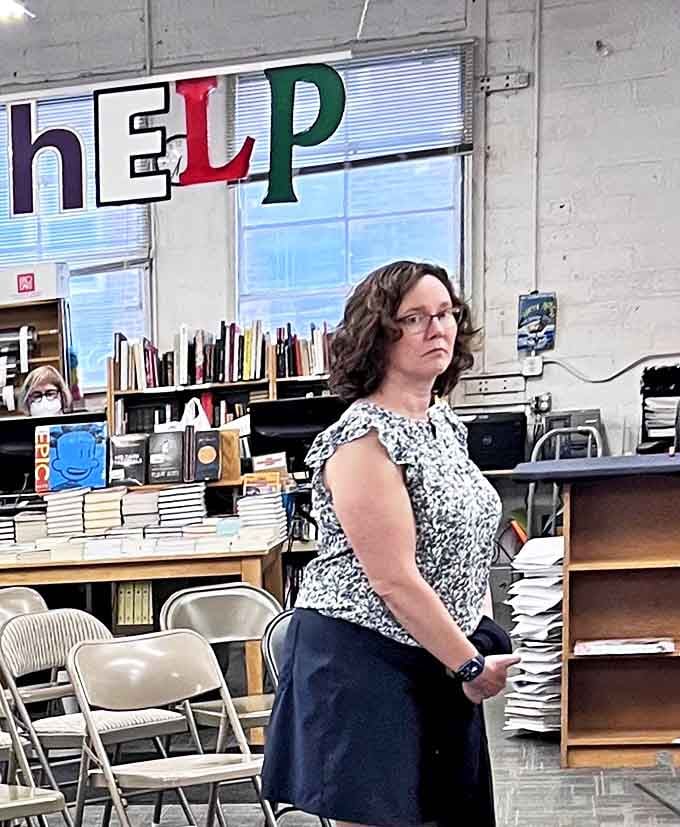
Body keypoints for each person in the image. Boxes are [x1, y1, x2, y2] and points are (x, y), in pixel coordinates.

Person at [262, 260, 520, 827]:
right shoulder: (362, 439)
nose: (439, 328)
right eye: (415, 318)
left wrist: (468, 640)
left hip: (435, 655)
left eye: (446, 313)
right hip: (363, 661)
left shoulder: (443, 424)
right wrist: (470, 665)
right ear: (378, 332)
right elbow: (393, 578)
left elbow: (468, 545)